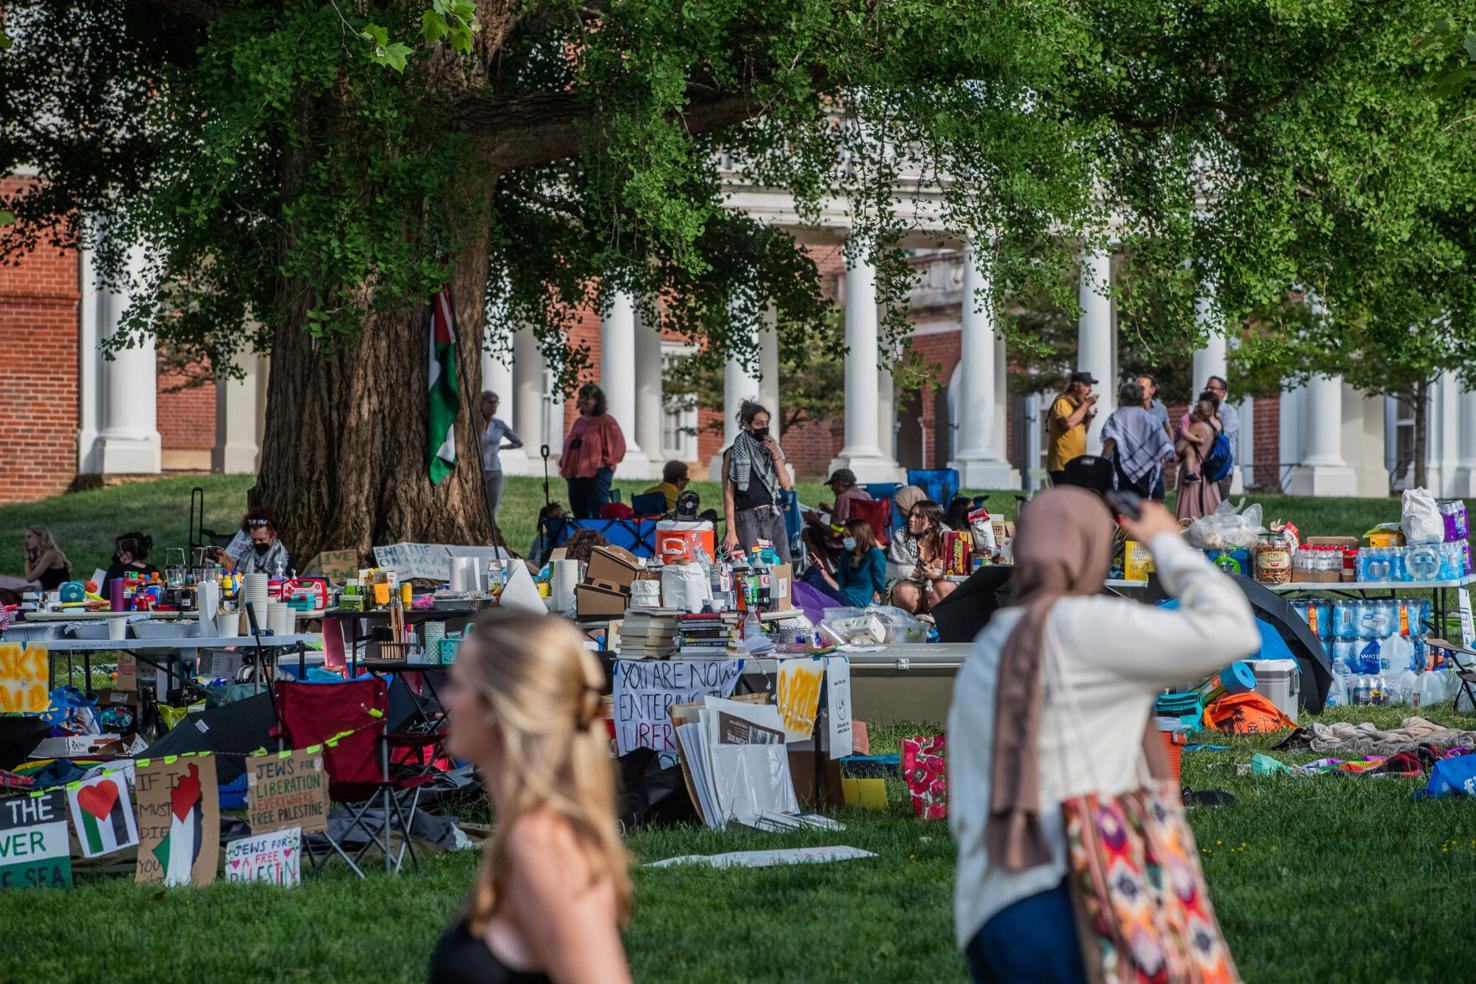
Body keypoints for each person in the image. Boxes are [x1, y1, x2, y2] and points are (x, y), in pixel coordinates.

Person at [947, 488, 1258, 983]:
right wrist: (1165, 543)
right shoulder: (1089, 627)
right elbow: (1233, 628)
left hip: (987, 911)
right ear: (1093, 550)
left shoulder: (991, 646)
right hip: (1077, 894)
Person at [432, 611, 632, 984]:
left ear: (499, 708)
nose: (445, 698)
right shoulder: (526, 831)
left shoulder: (540, 844)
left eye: (458, 685)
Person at [721, 400, 793, 563]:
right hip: (747, 518)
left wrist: (774, 453)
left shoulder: (772, 450)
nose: (764, 427)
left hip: (773, 515)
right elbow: (728, 494)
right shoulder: (733, 453)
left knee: (782, 567)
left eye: (766, 423)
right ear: (746, 424)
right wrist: (731, 531)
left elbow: (786, 484)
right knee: (751, 569)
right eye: (759, 423)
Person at [560, 383, 627, 519]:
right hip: (575, 475)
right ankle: (582, 539)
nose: (584, 401)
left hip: (597, 475)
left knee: (599, 513)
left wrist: (603, 464)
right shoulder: (579, 422)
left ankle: (600, 539)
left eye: (588, 398)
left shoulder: (606, 422)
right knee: (579, 514)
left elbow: (618, 446)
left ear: (597, 401)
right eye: (582, 397)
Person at [1100, 380, 1174, 499]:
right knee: (1142, 503)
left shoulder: (1116, 417)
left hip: (1122, 467)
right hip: (1146, 467)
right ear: (1140, 398)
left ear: (1122, 398)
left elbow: (1111, 440)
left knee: (1123, 503)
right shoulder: (1151, 418)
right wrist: (1161, 460)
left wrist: (1102, 460)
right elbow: (1163, 443)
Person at [888, 500, 956, 613]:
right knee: (904, 592)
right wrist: (931, 566)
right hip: (910, 584)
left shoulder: (946, 536)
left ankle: (934, 619)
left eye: (918, 516)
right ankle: (911, 618)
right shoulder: (901, 535)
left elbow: (952, 568)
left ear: (931, 523)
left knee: (946, 587)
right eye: (911, 514)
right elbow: (902, 570)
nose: (911, 519)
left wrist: (937, 574)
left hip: (934, 586)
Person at [807, 519, 887, 608]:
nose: (845, 540)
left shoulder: (875, 555)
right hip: (841, 596)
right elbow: (839, 586)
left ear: (860, 536)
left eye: (848, 536)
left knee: (815, 582)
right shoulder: (846, 554)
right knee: (813, 570)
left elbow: (881, 586)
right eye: (844, 536)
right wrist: (823, 572)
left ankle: (801, 604)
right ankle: (798, 604)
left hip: (855, 603)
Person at [479, 391, 524, 528]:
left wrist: (501, 447)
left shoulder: (499, 424)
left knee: (492, 505)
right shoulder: (475, 421)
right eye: (490, 402)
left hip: (494, 470)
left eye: (496, 403)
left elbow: (518, 442)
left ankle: (490, 531)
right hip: (477, 471)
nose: (493, 406)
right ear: (482, 403)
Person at [1175, 394, 1223, 523]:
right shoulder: (1217, 425)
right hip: (1208, 472)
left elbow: (1179, 449)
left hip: (1193, 471)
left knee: (1190, 511)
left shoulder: (1196, 427)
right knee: (1209, 509)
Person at [1047, 371, 1099, 485]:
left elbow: (1082, 431)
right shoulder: (1062, 402)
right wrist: (1086, 405)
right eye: (1087, 386)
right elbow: (1068, 424)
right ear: (1076, 386)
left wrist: (1088, 418)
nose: (1090, 390)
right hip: (1063, 464)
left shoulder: (1078, 406)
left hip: (1078, 463)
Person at [213, 509, 292, 576]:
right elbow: (239, 576)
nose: (257, 543)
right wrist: (227, 562)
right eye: (254, 540)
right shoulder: (247, 553)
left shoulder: (283, 559)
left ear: (273, 535)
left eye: (261, 540)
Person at [1135, 374, 1174, 501]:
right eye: (1136, 387)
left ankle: (1157, 520)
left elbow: (1168, 429)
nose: (1138, 391)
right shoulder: (1129, 408)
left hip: (1156, 460)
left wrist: (1168, 452)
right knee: (1138, 499)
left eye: (1142, 388)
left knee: (1157, 498)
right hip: (1135, 462)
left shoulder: (1160, 408)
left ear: (1152, 390)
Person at [1205, 375, 1239, 499]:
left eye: (1212, 388)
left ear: (1223, 393)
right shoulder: (1200, 411)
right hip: (1203, 467)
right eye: (1207, 388)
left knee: (1221, 511)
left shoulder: (1230, 413)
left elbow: (1223, 437)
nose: (1209, 391)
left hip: (1222, 469)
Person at [23, 526, 70, 591]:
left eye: (29, 537)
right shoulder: (40, 555)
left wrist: (27, 557)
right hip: (49, 593)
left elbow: (30, 578)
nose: (26, 541)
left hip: (59, 595)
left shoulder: (51, 553)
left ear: (40, 537)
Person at [526, 503, 567, 567]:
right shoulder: (541, 540)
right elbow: (531, 560)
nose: (562, 519)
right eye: (557, 517)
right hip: (542, 572)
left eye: (564, 515)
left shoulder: (571, 538)